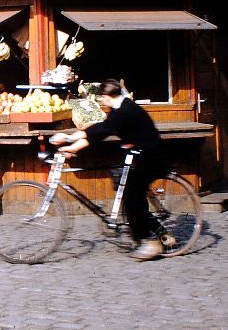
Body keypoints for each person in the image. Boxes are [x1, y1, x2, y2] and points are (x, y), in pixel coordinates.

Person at [50, 78, 169, 261]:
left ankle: (148, 242)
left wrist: (68, 140)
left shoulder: (124, 112)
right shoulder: (122, 107)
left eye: (102, 97)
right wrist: (71, 146)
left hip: (149, 158)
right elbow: (97, 133)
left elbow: (100, 130)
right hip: (141, 155)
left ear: (107, 96)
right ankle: (164, 236)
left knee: (132, 198)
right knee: (134, 197)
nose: (101, 101)